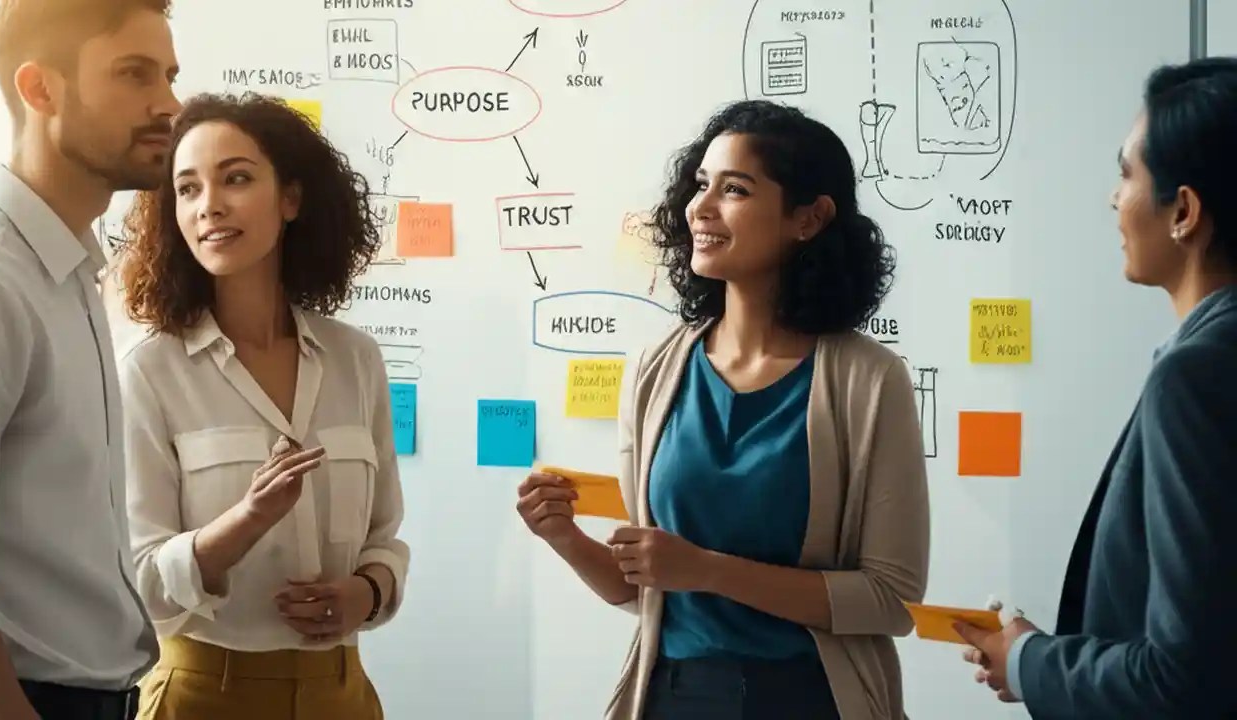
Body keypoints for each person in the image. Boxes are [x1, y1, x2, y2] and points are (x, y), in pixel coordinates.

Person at [516, 99, 930, 719]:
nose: (700, 208)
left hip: (814, 699)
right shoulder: (655, 370)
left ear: (809, 218)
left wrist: (708, 570)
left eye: (734, 189)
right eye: (701, 183)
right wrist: (564, 537)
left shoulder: (870, 380)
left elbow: (891, 600)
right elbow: (646, 588)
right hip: (674, 695)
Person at [956, 57, 1237, 719]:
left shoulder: (1195, 376)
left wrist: (1027, 661)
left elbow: (1185, 677)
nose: (1114, 199)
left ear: (1184, 211)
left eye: (1126, 173)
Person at [114, 92, 409, 719]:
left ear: (291, 199)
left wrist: (366, 593)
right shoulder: (149, 371)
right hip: (201, 693)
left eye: (237, 178)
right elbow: (141, 582)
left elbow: (385, 538)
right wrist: (246, 520)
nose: (209, 205)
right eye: (187, 189)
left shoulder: (355, 358)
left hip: (342, 693)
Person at [0, 1, 180, 718]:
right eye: (134, 74)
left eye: (169, 75)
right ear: (40, 89)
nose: (169, 104)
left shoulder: (69, 268)